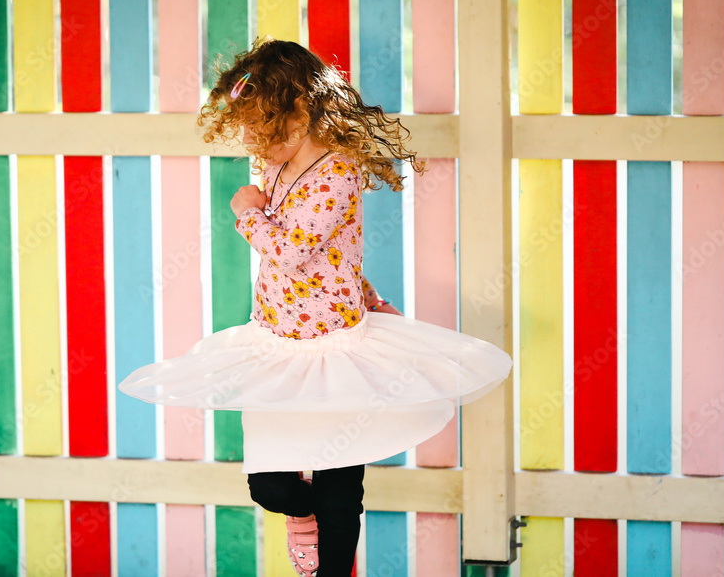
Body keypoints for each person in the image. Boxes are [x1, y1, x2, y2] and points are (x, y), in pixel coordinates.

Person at [119, 38, 513, 577]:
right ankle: (300, 513)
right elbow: (336, 255)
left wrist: (245, 212)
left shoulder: (338, 172)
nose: (254, 142)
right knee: (270, 485)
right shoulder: (277, 168)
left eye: (263, 127)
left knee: (340, 485)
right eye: (249, 130)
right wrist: (371, 293)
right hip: (277, 346)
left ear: (301, 111)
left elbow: (295, 252)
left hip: (337, 350)